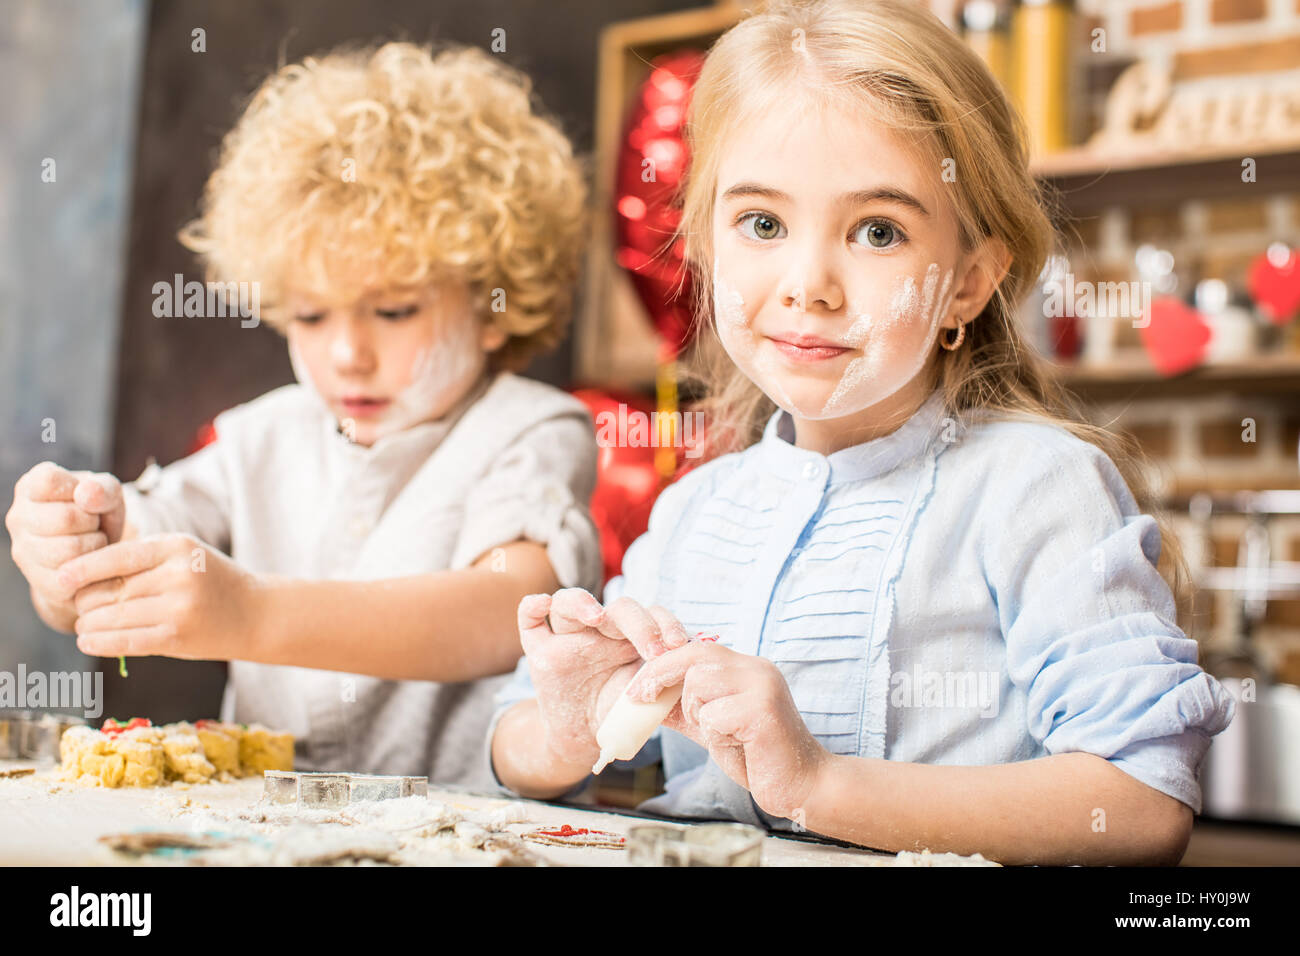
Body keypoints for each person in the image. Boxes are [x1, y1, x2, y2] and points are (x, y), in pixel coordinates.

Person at [487, 0, 1235, 864]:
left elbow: (1141, 808)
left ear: (967, 284)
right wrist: (566, 729)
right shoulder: (693, 510)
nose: (810, 284)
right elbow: (518, 750)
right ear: (703, 245)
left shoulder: (1035, 486)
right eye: (762, 224)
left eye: (878, 231)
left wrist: (817, 784)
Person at [6, 41, 601, 788]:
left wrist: (251, 614)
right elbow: (137, 545)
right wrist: (73, 543)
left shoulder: (532, 429)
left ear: (491, 305)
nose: (348, 353)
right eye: (312, 315)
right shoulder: (264, 433)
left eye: (392, 309)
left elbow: (509, 607)